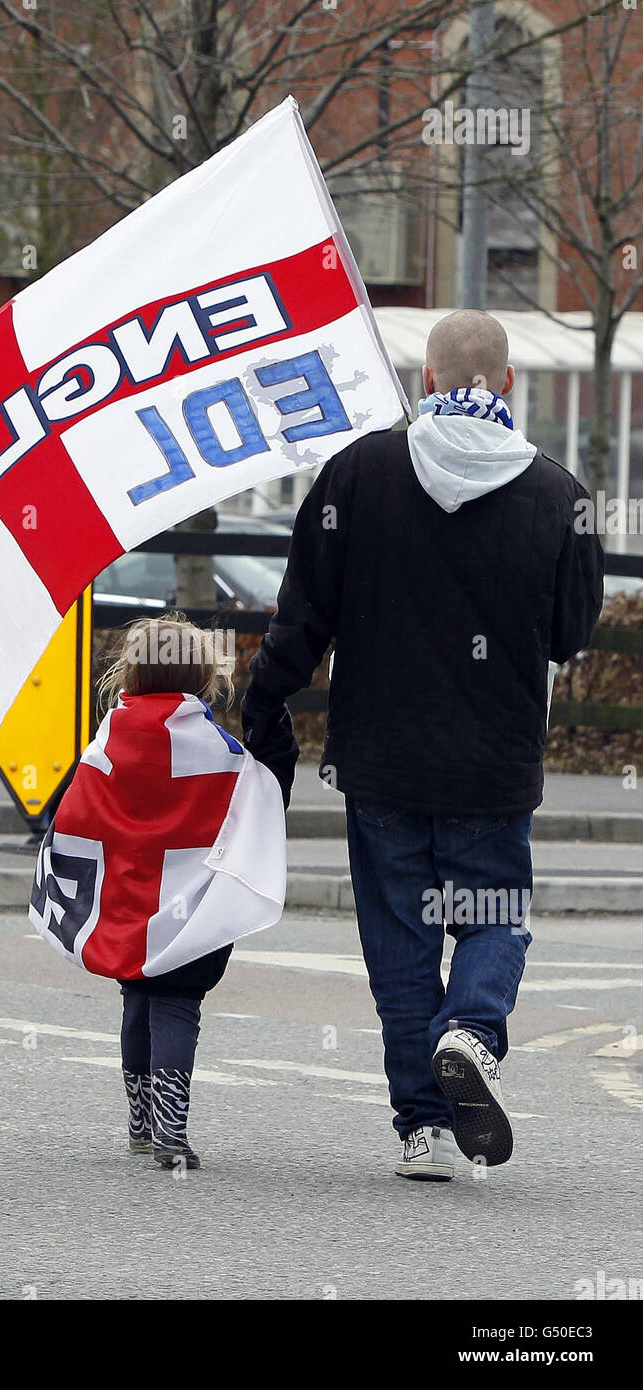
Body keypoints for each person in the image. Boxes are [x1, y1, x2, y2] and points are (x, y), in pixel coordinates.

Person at [241, 309, 604, 1181]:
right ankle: (472, 1031)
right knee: (491, 915)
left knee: (399, 943)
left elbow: (304, 615)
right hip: (493, 763)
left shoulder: (357, 474)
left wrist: (263, 701)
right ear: (507, 381)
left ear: (429, 381)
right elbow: (568, 632)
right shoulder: (561, 496)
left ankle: (422, 1128)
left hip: (379, 758)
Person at [29, 614, 286, 1171]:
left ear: (129, 674)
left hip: (127, 903)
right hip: (190, 904)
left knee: (138, 999)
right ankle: (172, 1133)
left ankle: (140, 1124)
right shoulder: (217, 749)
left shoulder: (107, 743)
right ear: (203, 680)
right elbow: (261, 793)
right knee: (177, 1004)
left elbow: (76, 815)